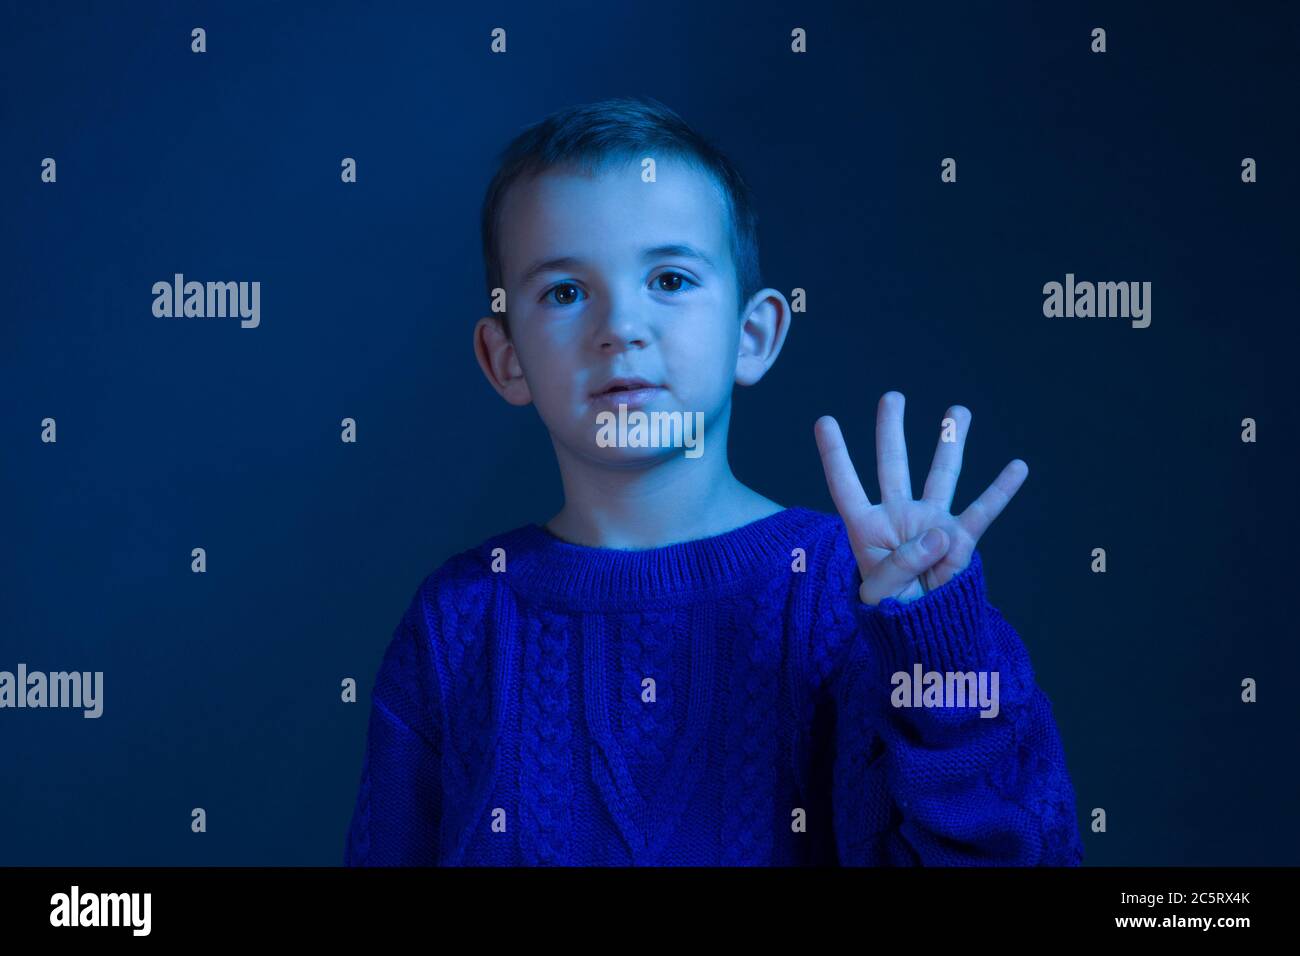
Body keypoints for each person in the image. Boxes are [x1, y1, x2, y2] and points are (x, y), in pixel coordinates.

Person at [343, 96, 1084, 866]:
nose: (621, 326)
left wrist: (939, 654)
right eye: (565, 292)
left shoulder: (858, 595)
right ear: (505, 359)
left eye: (669, 278)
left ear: (752, 334)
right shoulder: (458, 618)